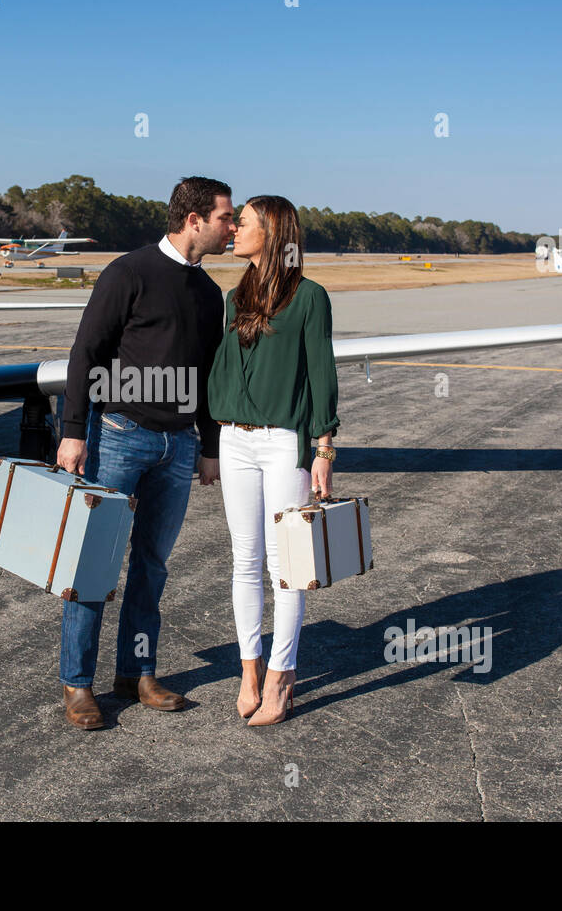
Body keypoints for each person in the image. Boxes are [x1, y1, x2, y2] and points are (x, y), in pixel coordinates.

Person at [54, 177, 236, 730]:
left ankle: (136, 672)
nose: (233, 226)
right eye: (226, 217)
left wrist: (208, 446)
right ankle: (77, 684)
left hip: (178, 447)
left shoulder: (208, 293)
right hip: (119, 435)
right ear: (194, 219)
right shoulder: (128, 272)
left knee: (152, 566)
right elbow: (86, 352)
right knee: (94, 564)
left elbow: (207, 377)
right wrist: (73, 430)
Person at [206, 195, 339, 726]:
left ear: (273, 231)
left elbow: (323, 377)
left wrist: (323, 450)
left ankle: (283, 679)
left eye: (243, 223)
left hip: (285, 442)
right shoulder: (235, 295)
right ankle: (249, 670)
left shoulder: (310, 298)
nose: (233, 229)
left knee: (286, 567)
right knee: (244, 560)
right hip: (234, 441)